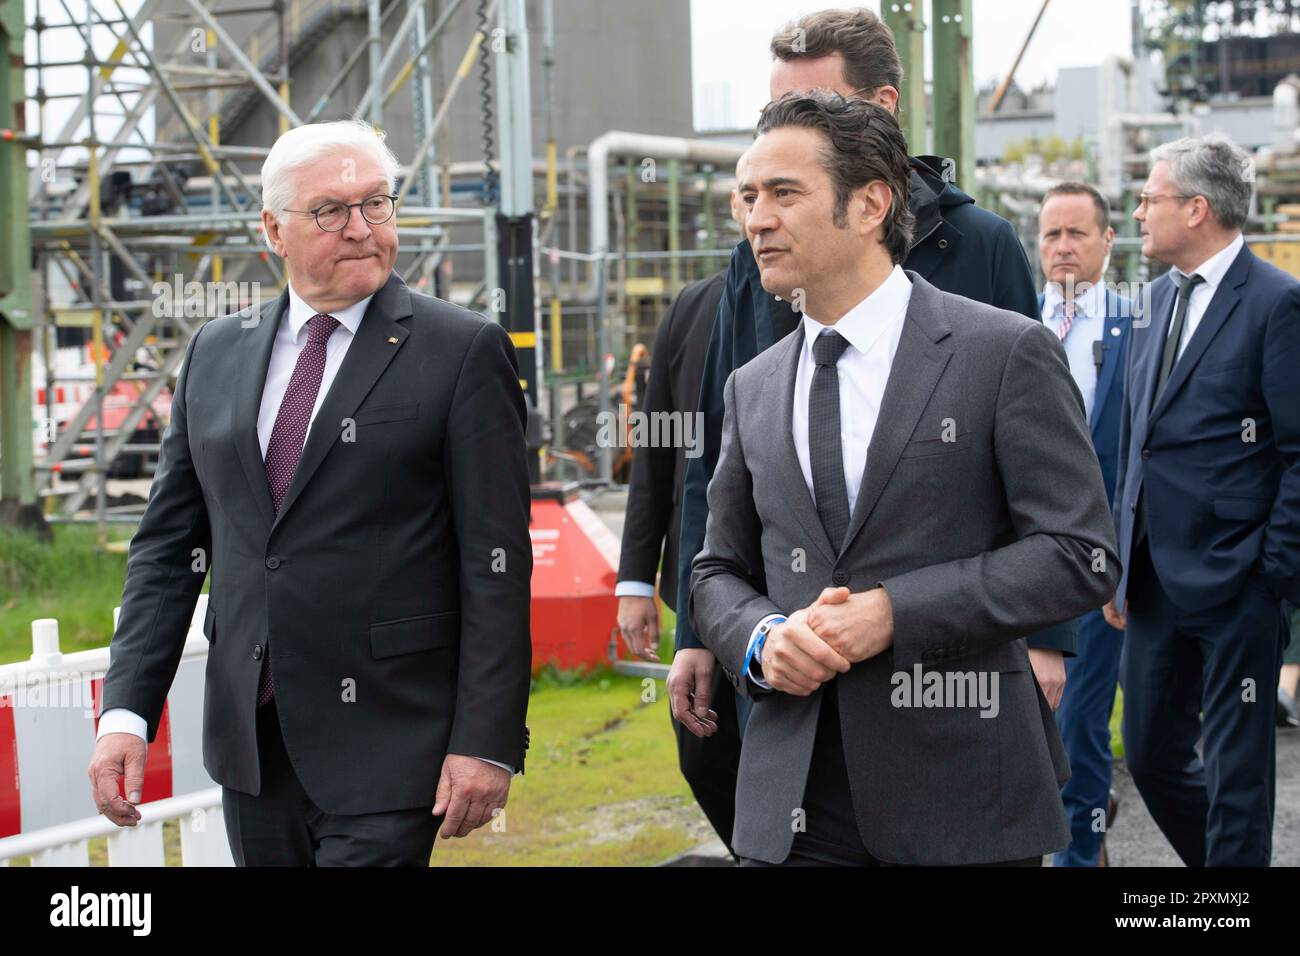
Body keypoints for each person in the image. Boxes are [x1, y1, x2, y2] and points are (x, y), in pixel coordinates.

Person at [86, 120, 533, 866]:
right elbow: (169, 551)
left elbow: (495, 563)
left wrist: (487, 741)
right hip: (252, 750)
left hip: (392, 744)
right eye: (331, 210)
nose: (360, 229)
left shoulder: (460, 351)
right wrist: (126, 713)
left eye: (377, 205)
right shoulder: (215, 353)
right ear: (274, 229)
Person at [689, 92, 1119, 866]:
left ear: (871, 203)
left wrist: (895, 612)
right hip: (793, 802)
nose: (756, 219)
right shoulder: (750, 387)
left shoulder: (1002, 353)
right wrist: (759, 639)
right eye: (748, 197)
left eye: (784, 193)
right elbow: (718, 568)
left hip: (964, 797)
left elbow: (1078, 554)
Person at [671, 6, 1075, 764]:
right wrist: (717, 634)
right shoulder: (756, 271)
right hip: (797, 705)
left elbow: (1056, 508)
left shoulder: (981, 255)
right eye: (773, 114)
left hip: (953, 707)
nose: (760, 218)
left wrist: (1046, 641)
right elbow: (716, 469)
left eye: (820, 107)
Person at [1106, 133, 1300, 867]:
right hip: (1154, 581)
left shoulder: (1278, 304)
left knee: (1237, 773)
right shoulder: (1151, 301)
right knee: (1153, 756)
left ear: (1197, 207)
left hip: (1238, 585)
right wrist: (1120, 561)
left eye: (1150, 198)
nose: (1139, 211)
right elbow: (1136, 439)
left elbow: (1298, 452)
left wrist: (1271, 576)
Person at [614, 183, 746, 853]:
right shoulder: (697, 304)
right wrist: (636, 580)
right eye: (750, 194)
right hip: (703, 588)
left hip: (800, 590)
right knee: (703, 755)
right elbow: (656, 455)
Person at [1036, 181, 1132, 866]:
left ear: (1106, 241)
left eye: (1077, 233)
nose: (1063, 247)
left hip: (1097, 571)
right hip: (1013, 568)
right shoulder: (1006, 321)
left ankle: (1079, 852)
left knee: (1079, 724)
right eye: (1050, 235)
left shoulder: (1143, 326)